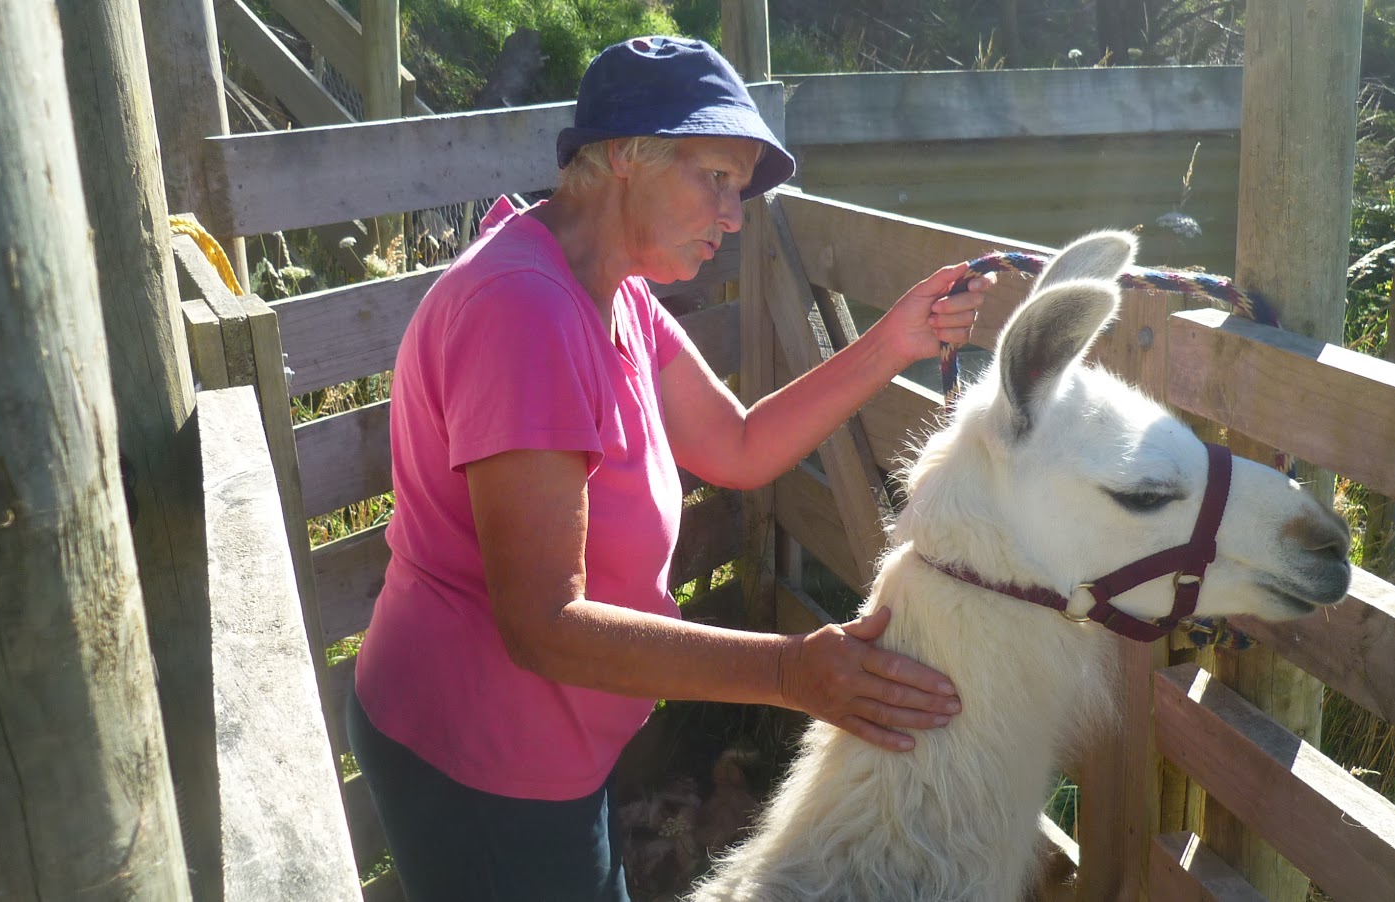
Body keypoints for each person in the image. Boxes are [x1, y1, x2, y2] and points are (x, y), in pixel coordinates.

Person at [348, 35, 992, 901]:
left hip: (557, 742)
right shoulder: (523, 314)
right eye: (716, 178)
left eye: (738, 188)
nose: (734, 216)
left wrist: (895, 340)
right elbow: (542, 625)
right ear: (624, 154)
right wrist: (789, 673)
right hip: (481, 759)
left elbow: (738, 446)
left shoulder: (614, 291)